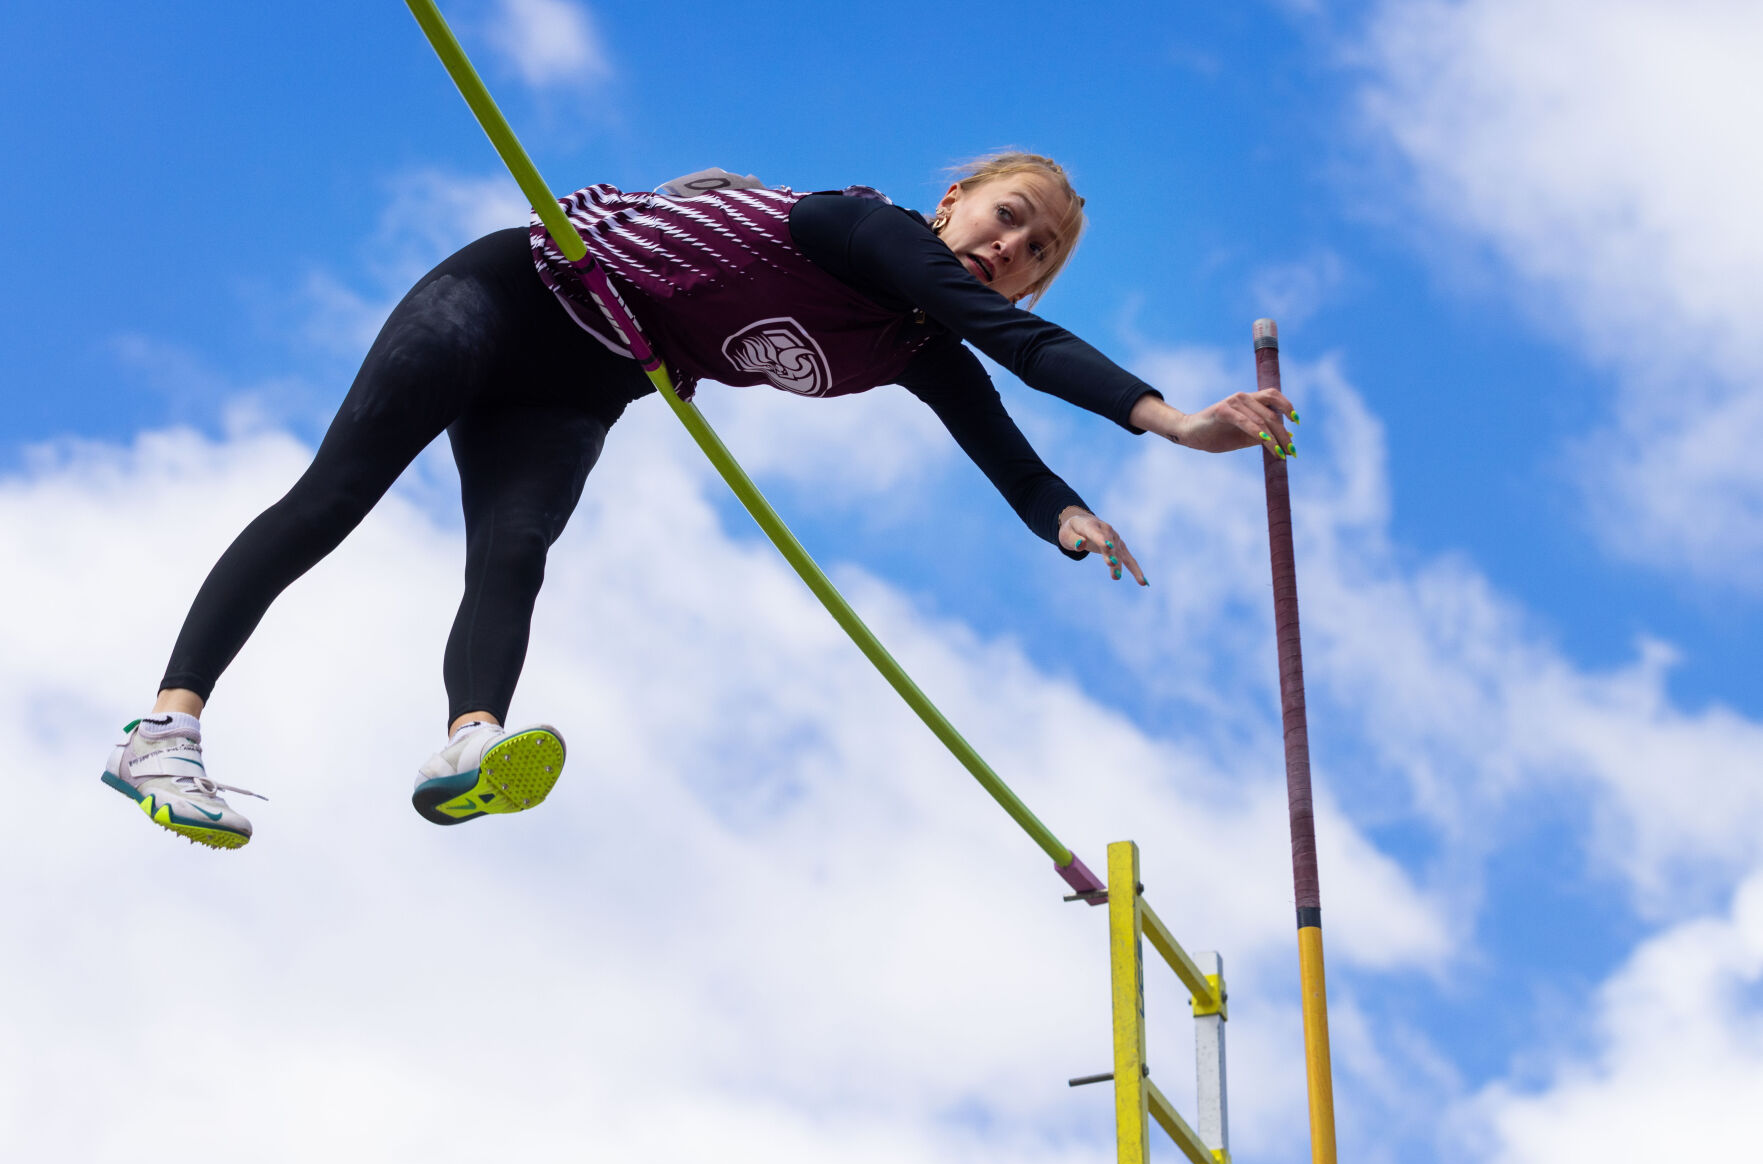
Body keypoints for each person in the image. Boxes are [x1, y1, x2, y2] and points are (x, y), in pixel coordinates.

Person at [100, 152, 1297, 851]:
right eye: (1007, 217)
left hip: (584, 380)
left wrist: (1062, 515)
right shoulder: (866, 229)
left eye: (1036, 252)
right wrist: (1175, 421)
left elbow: (1004, 440)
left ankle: (467, 747)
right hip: (513, 295)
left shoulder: (917, 341)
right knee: (337, 495)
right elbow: (1020, 346)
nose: (1011, 250)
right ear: (953, 200)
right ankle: (164, 731)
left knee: (513, 553)